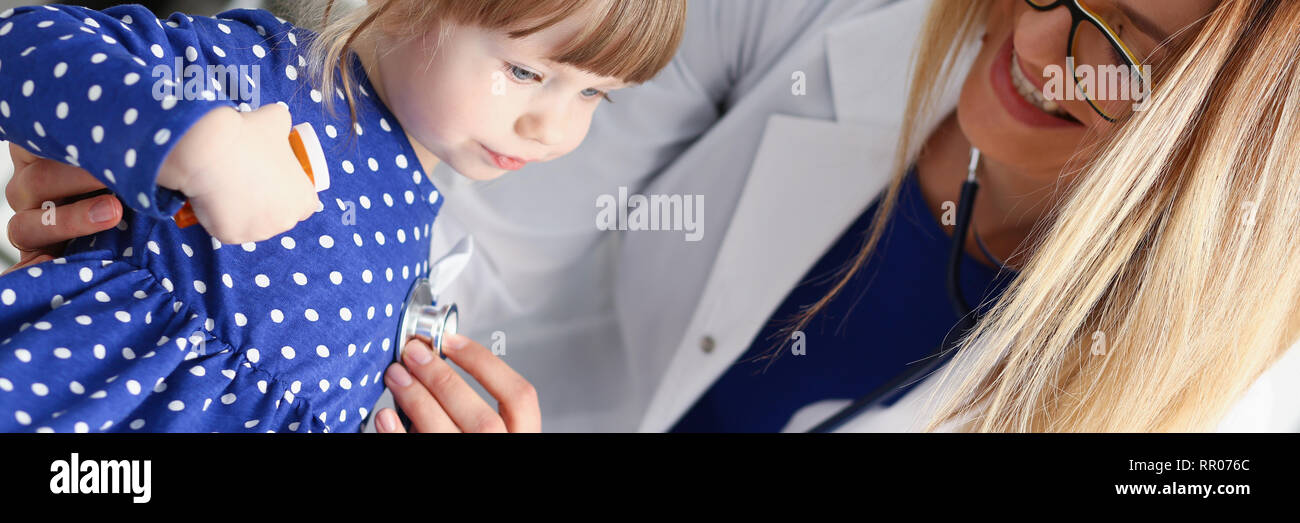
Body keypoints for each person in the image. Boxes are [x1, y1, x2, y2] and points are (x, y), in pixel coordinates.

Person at [12, 0, 1300, 433]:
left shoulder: (1208, 416)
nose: (1025, 38)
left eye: (1122, 47)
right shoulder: (835, 24)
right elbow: (451, 96)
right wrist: (180, 130)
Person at [0, 0, 685, 433]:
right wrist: (195, 143)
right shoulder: (262, 77)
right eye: (527, 73)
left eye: (596, 94)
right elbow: (18, 45)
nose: (552, 128)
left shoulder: (419, 236)